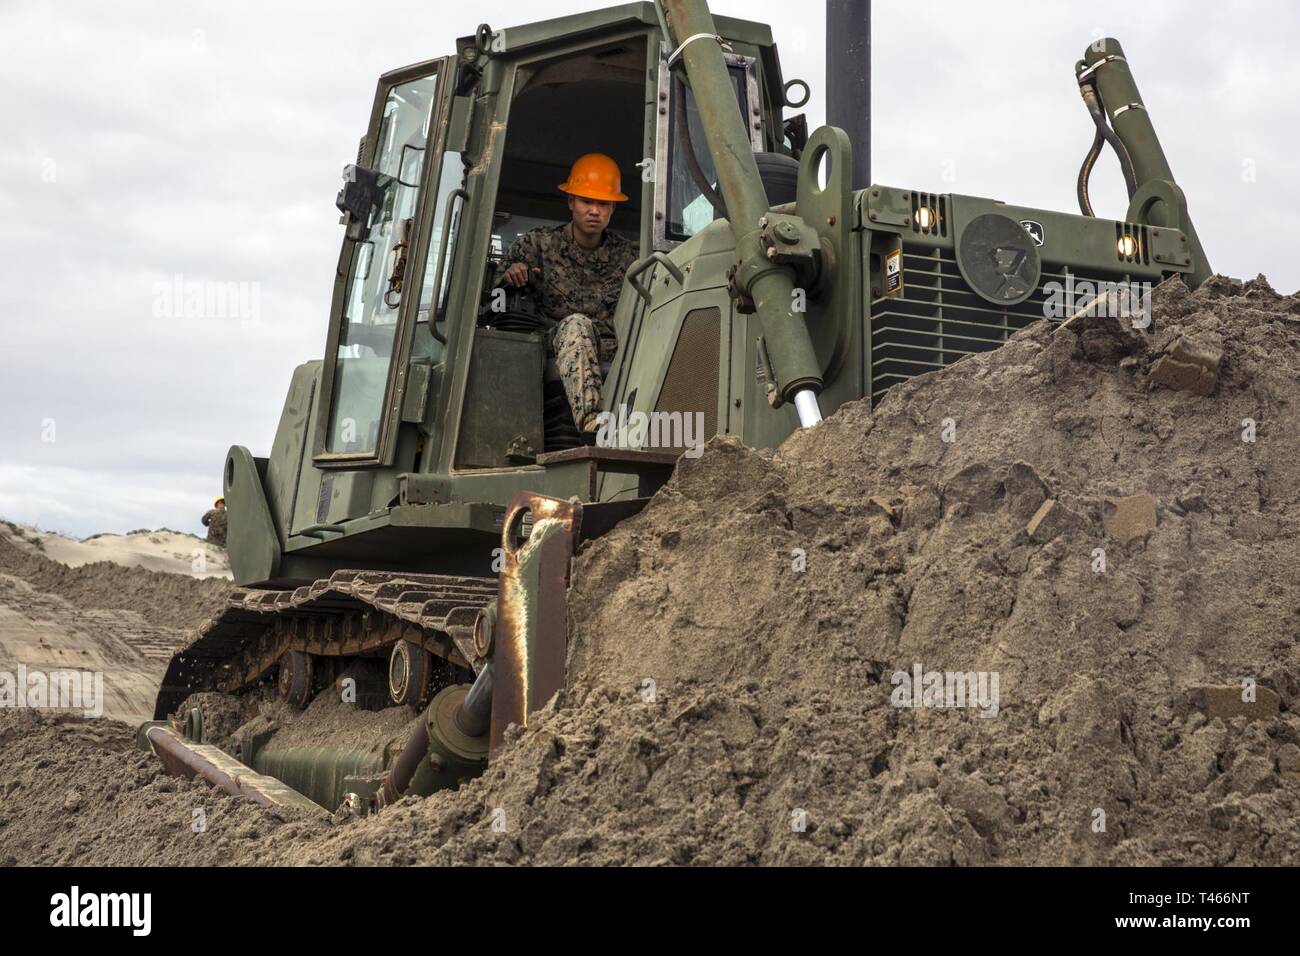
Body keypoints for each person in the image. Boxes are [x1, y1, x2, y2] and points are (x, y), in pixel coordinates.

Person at [493, 153, 637, 433]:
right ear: (571, 202)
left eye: (603, 203)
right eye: (586, 201)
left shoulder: (629, 256)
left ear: (612, 209)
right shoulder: (538, 245)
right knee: (576, 324)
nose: (594, 210)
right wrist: (512, 274)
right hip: (553, 343)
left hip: (614, 350)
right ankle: (593, 424)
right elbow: (492, 289)